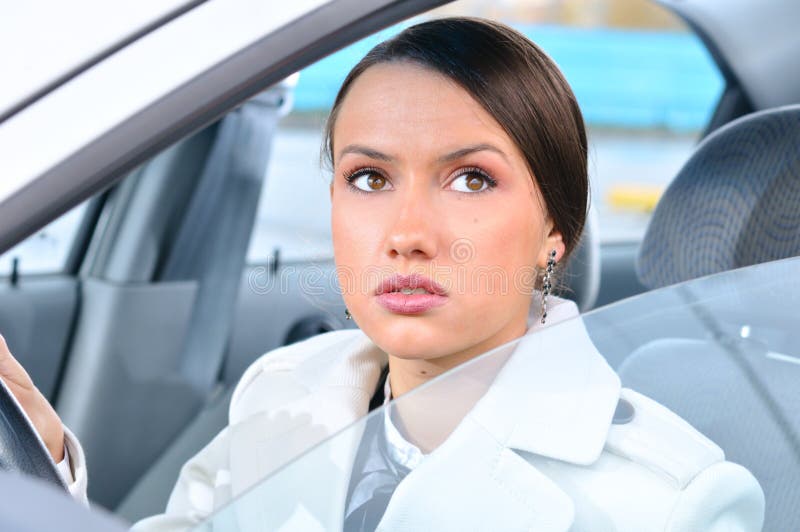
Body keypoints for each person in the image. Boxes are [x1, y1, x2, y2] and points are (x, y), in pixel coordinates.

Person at [0, 17, 764, 531]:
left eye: (469, 180)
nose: (406, 234)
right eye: (369, 179)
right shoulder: (280, 388)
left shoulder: (673, 500)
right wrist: (43, 468)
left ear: (554, 235)